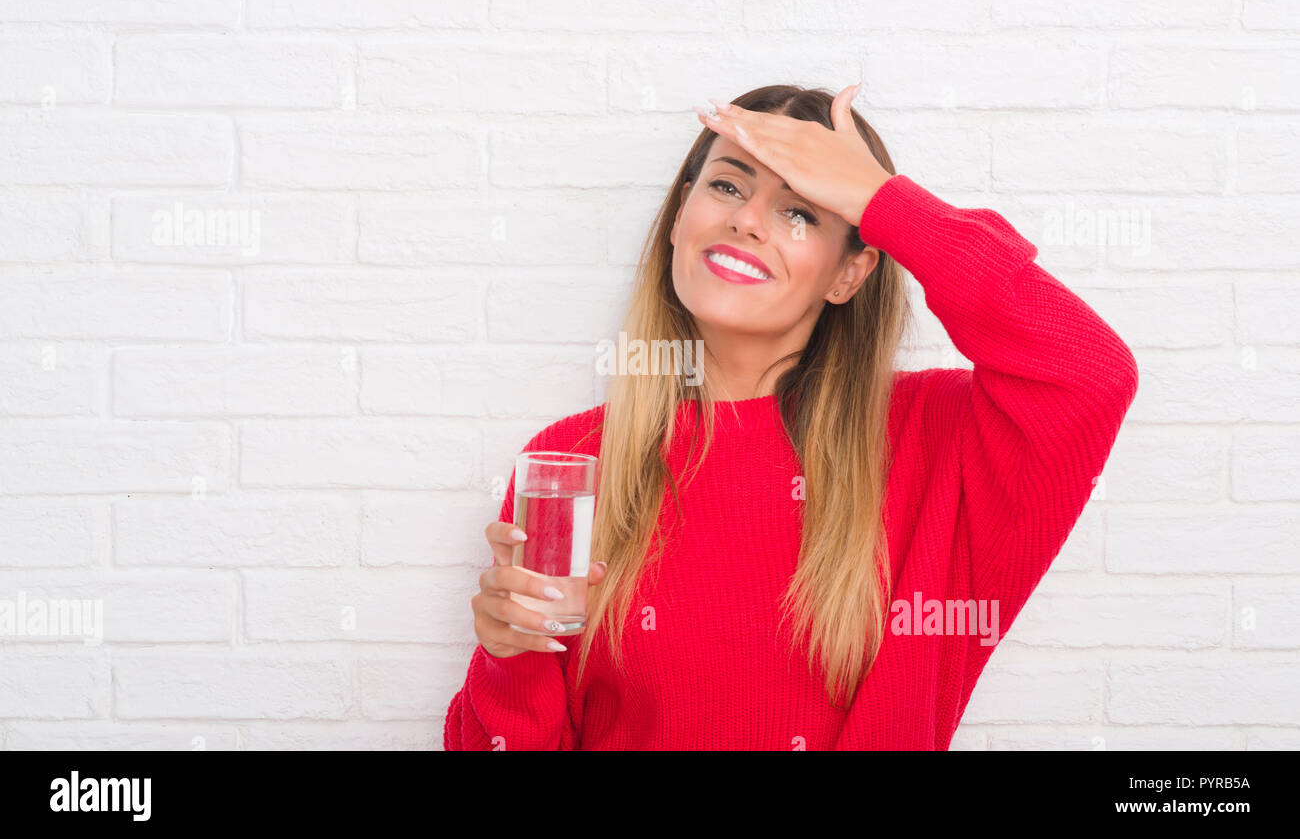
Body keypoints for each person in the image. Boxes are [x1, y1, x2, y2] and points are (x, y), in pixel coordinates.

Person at [443, 83, 1139, 750]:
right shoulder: (575, 461)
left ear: (849, 273)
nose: (746, 219)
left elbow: (1091, 374)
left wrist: (882, 200)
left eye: (800, 211)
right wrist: (511, 657)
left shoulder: (935, 439)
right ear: (681, 216)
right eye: (726, 185)